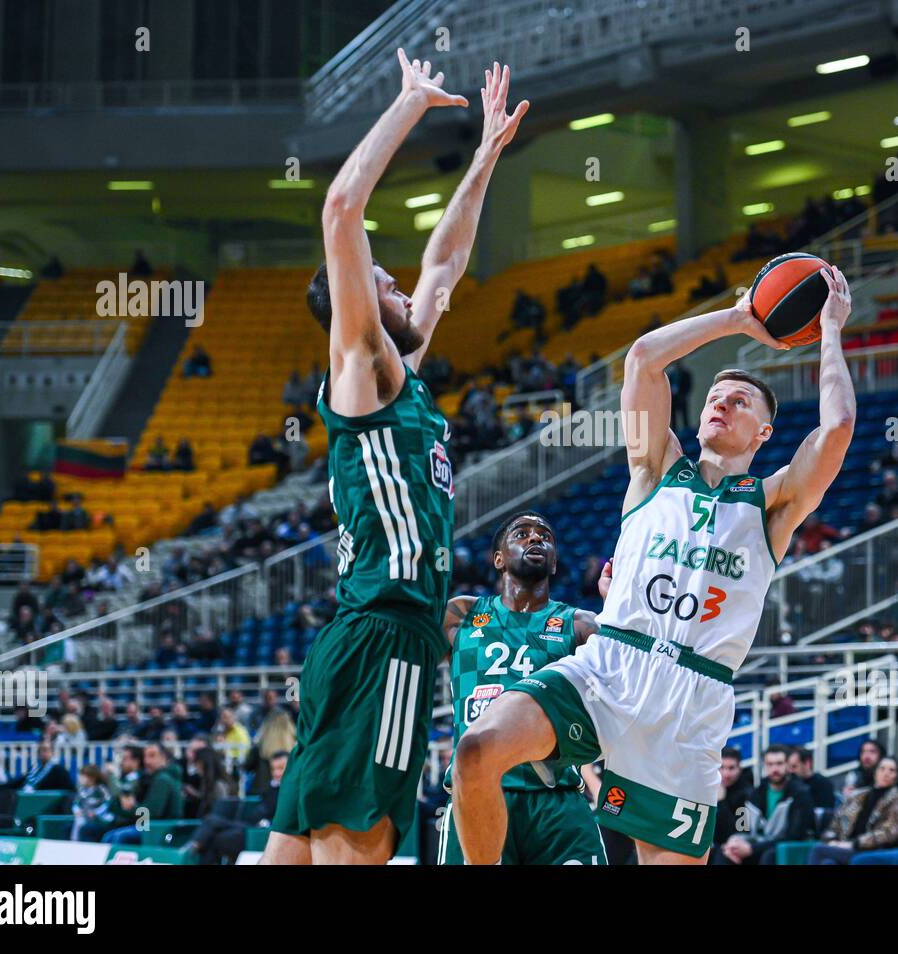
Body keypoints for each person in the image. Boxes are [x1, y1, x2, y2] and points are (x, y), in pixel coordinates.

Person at [451, 266, 856, 863]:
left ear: (764, 431)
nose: (721, 404)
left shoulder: (772, 504)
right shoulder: (656, 468)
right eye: (715, 397)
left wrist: (829, 332)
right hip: (612, 664)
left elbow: (839, 426)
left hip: (691, 700)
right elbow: (642, 358)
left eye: (738, 401)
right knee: (476, 751)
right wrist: (740, 319)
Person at [263, 51, 526, 867]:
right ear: (357, 309)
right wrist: (412, 103)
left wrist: (484, 155)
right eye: (384, 282)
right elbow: (343, 206)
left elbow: (444, 266)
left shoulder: (400, 378)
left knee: (295, 851)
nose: (404, 288)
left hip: (364, 633)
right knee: (359, 846)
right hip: (385, 638)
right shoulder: (362, 371)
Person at [436, 512, 607, 865]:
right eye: (522, 533)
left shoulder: (580, 625)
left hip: (556, 797)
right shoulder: (461, 614)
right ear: (498, 558)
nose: (535, 539)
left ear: (555, 562)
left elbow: (630, 685)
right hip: (479, 797)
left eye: (545, 536)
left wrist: (617, 606)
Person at [718, 745, 814, 865]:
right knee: (723, 853)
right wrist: (734, 843)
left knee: (769, 856)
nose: (774, 769)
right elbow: (741, 827)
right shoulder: (754, 793)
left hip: (781, 850)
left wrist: (752, 849)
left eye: (779, 763)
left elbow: (794, 836)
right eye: (770, 764)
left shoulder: (801, 794)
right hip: (756, 846)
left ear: (788, 766)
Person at [809, 756, 898, 864]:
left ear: (897, 776)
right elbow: (837, 822)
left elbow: (888, 833)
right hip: (847, 846)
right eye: (882, 768)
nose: (886, 773)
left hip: (874, 850)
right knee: (828, 863)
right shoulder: (858, 796)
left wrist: (855, 843)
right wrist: (832, 840)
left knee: (818, 850)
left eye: (892, 770)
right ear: (875, 772)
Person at [712, 747, 755, 858]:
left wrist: (721, 802)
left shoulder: (747, 794)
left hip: (735, 847)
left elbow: (740, 831)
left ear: (739, 769)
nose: (726, 773)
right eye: (722, 767)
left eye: (731, 768)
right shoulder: (709, 787)